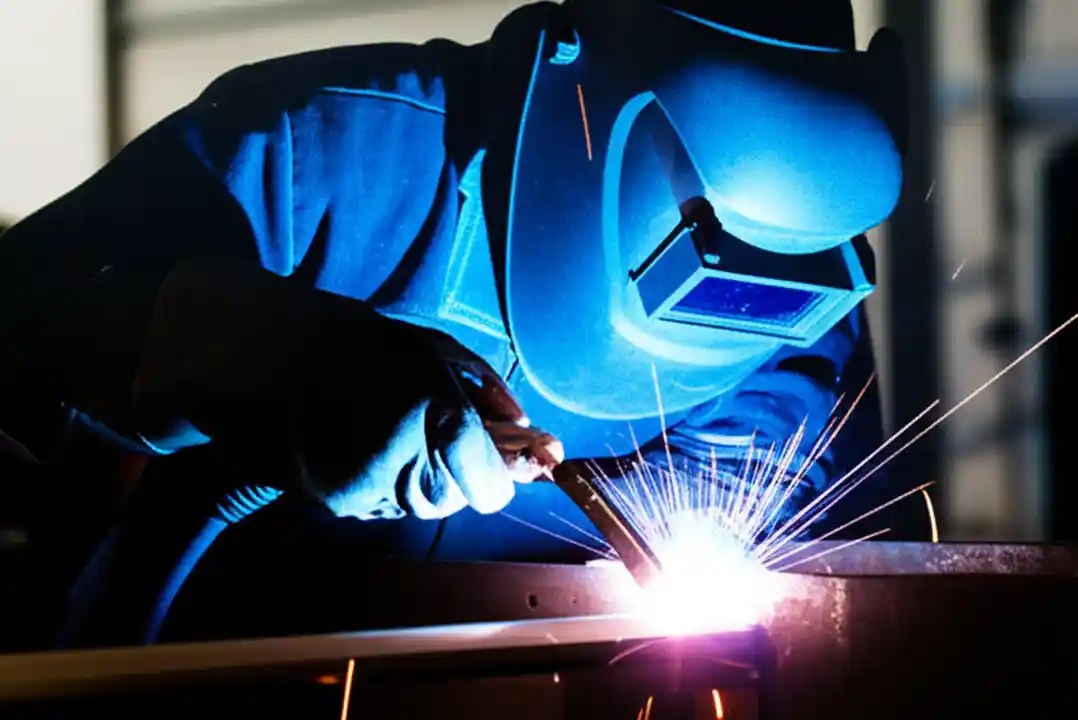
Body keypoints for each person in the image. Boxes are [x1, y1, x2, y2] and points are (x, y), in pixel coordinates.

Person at [0, 0, 907, 649]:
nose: (752, 298)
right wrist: (269, 355)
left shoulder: (801, 307)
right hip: (173, 667)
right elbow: (21, 310)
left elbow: (784, 557)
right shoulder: (326, 156)